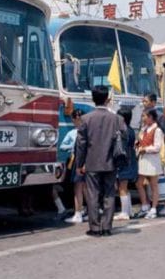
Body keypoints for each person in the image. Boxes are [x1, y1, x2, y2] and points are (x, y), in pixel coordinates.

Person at [75, 86, 127, 237]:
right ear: (108, 100)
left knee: (92, 195)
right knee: (110, 194)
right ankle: (107, 227)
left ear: (92, 99)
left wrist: (79, 164)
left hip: (92, 163)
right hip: (111, 162)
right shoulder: (117, 119)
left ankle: (95, 228)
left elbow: (81, 144)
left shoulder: (86, 119)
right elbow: (124, 138)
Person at [56, 109, 86, 223]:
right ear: (73, 119)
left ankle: (79, 213)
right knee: (79, 187)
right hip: (75, 159)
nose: (78, 120)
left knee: (82, 188)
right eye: (76, 118)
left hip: (81, 161)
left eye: (80, 118)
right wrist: (71, 147)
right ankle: (81, 211)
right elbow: (63, 146)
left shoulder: (86, 132)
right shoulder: (72, 133)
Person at [135, 107, 165, 219]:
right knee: (139, 183)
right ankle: (145, 206)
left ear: (151, 117)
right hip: (143, 159)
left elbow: (157, 147)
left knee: (153, 185)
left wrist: (145, 149)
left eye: (144, 116)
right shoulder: (144, 128)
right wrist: (138, 145)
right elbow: (140, 141)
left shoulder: (157, 130)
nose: (142, 118)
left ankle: (153, 208)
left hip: (152, 160)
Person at [114, 107, 138, 221]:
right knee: (125, 187)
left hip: (124, 161)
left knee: (122, 187)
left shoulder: (122, 131)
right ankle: (129, 211)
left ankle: (124, 212)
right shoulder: (131, 130)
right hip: (131, 159)